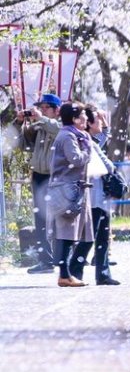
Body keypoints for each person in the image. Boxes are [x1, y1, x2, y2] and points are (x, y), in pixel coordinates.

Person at [47, 102, 93, 285]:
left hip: (73, 189)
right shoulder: (68, 136)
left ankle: (67, 274)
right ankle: (65, 275)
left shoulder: (75, 135)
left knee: (74, 233)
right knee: (66, 232)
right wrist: (87, 150)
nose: (86, 119)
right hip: (67, 190)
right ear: (74, 119)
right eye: (82, 116)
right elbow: (75, 159)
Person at [16, 93, 62, 272]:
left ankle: (62, 257)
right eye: (40, 107)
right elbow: (21, 145)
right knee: (40, 219)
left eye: (45, 107)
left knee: (60, 218)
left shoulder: (62, 124)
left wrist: (41, 118)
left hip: (56, 176)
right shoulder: (39, 127)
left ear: (56, 110)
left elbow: (57, 130)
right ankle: (46, 260)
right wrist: (20, 123)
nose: (41, 111)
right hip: (39, 175)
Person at [84, 105, 120, 285]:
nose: (101, 123)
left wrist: (104, 121)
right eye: (97, 120)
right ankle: (73, 269)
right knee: (89, 237)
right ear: (89, 124)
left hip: (100, 195)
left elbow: (106, 134)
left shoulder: (94, 140)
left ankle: (103, 274)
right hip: (92, 194)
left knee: (102, 236)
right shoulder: (86, 141)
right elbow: (108, 167)